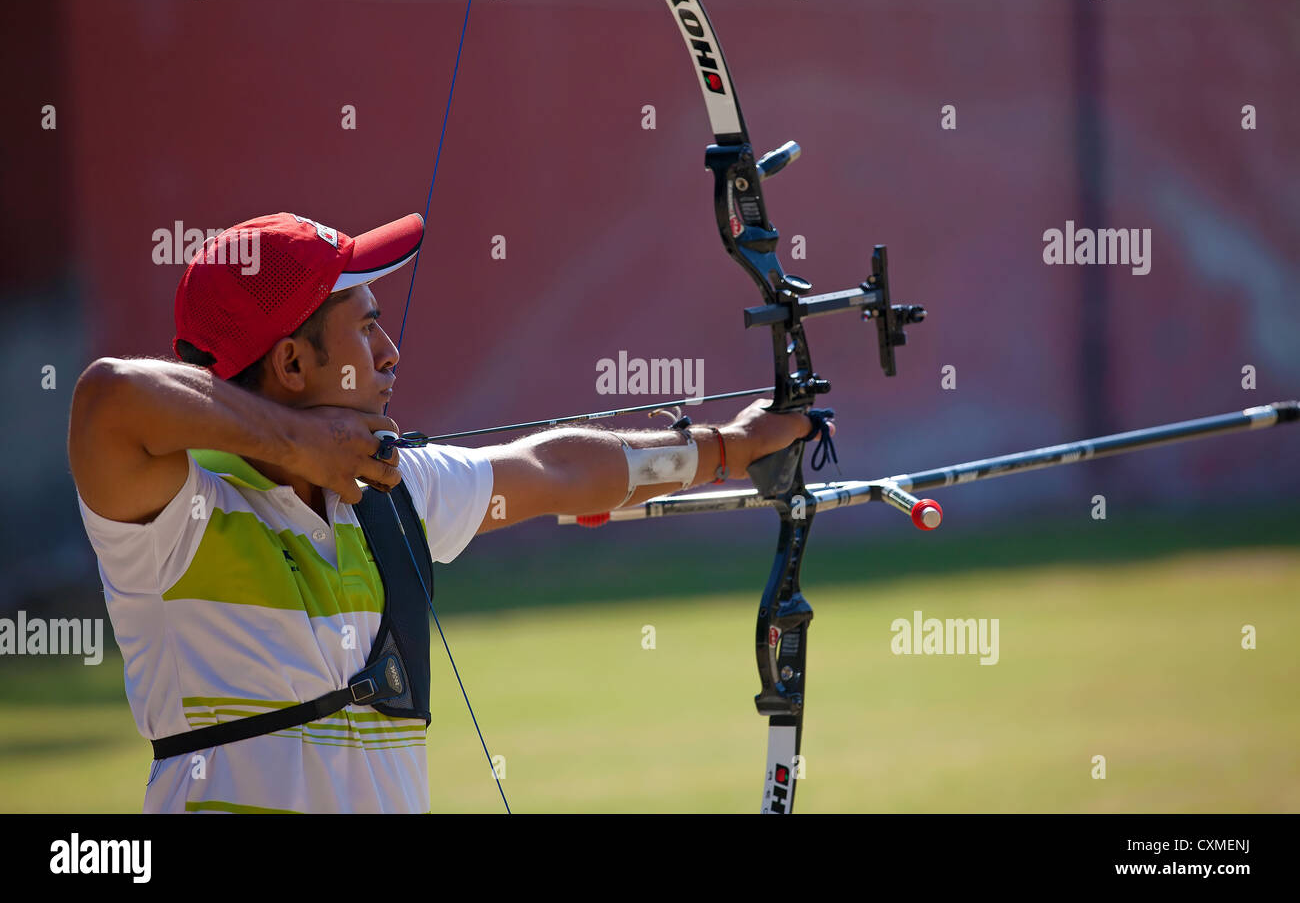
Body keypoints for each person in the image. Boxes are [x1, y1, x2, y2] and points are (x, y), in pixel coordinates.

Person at [67, 211, 822, 812]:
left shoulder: (388, 493)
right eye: (364, 328)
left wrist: (729, 447)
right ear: (292, 365)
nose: (390, 352)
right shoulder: (177, 516)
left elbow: (553, 469)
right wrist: (300, 444)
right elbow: (109, 397)